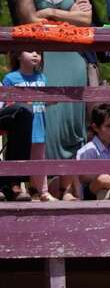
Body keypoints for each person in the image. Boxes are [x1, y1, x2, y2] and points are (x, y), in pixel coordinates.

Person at [15, 0, 90, 198]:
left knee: (72, 123)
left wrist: (50, 12)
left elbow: (86, 20)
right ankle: (42, 187)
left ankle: (69, 187)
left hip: (73, 59)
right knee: (45, 122)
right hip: (44, 59)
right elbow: (29, 21)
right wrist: (68, 15)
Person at [2, 51, 50, 200]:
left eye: (38, 52)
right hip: (22, 124)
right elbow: (7, 103)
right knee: (22, 152)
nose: (35, 54)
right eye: (30, 51)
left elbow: (46, 101)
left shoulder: (42, 77)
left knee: (39, 159)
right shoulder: (10, 78)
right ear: (18, 56)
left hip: (39, 123)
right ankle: (20, 186)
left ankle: (42, 192)